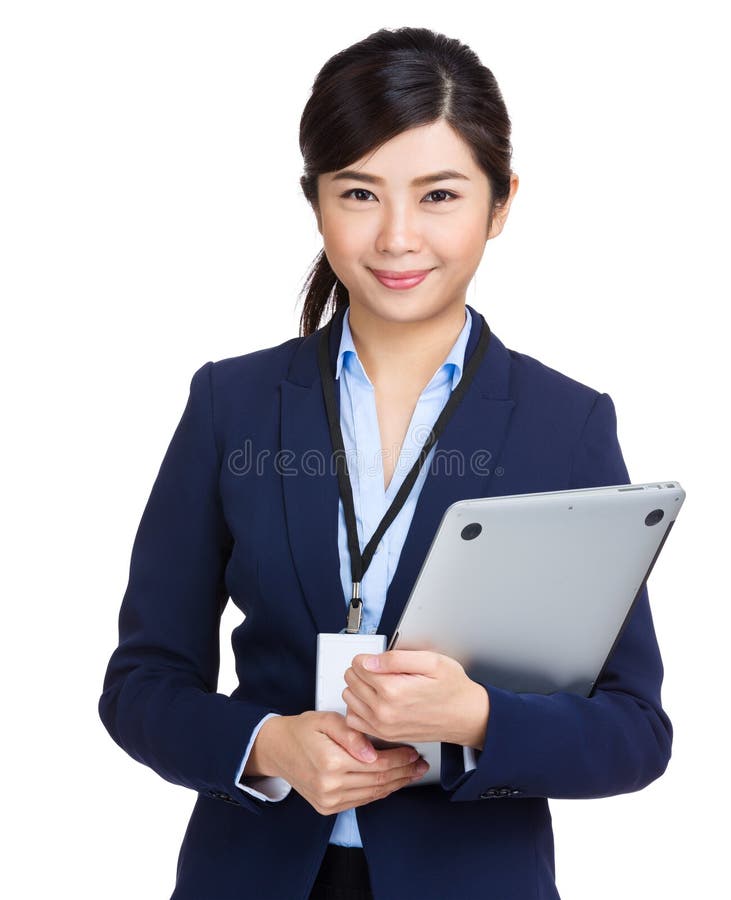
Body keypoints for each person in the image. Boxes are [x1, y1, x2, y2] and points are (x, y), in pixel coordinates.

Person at [98, 26, 673, 900]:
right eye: (359, 193)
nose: (398, 237)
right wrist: (266, 745)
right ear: (315, 200)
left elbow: (633, 732)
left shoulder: (566, 425)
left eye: (438, 195)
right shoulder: (231, 404)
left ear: (500, 204)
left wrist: (478, 718)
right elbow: (141, 684)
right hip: (251, 875)